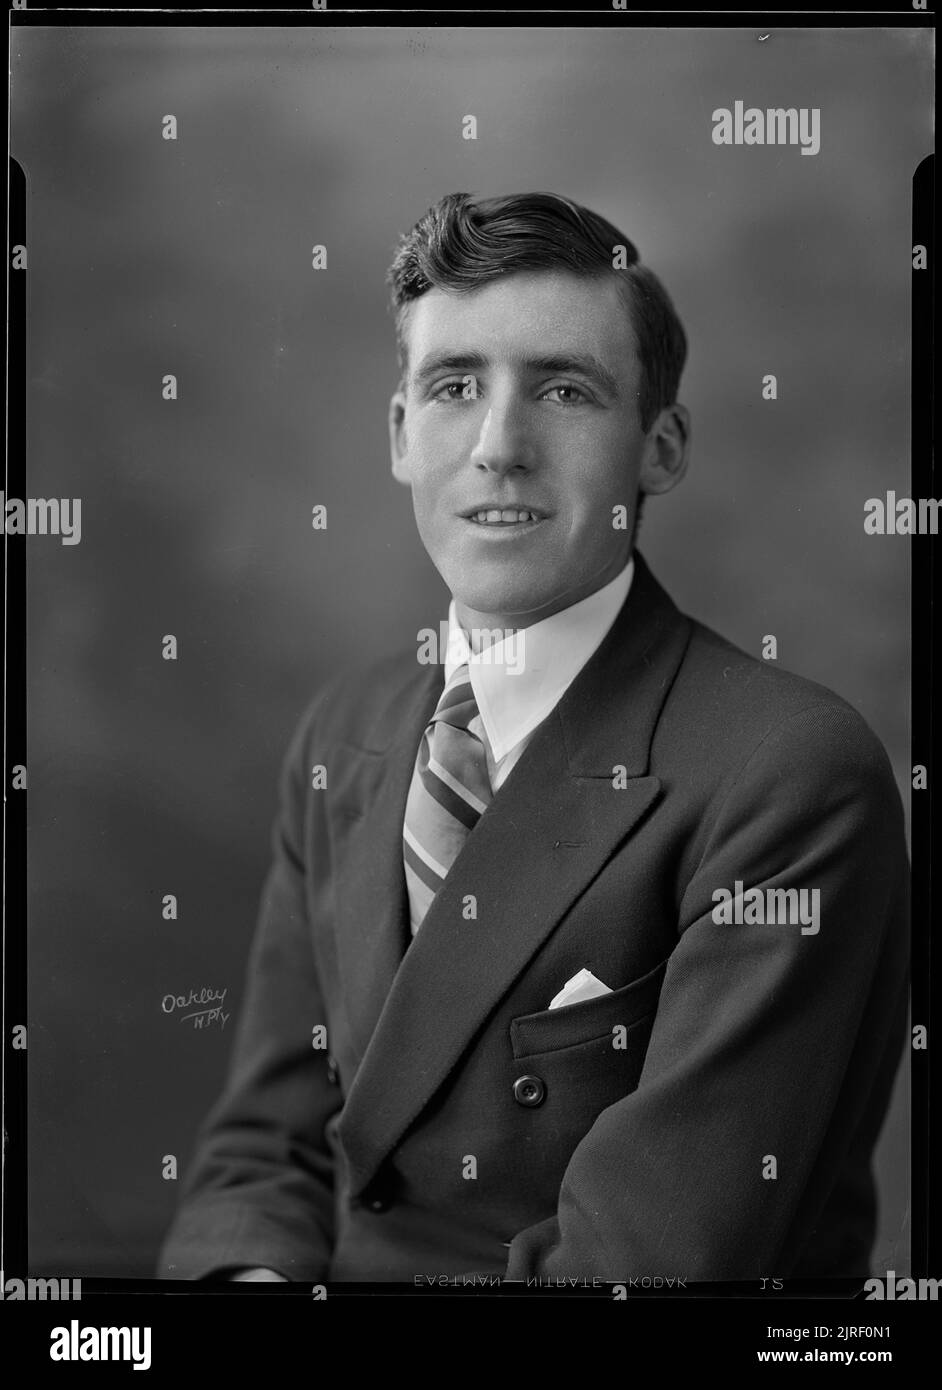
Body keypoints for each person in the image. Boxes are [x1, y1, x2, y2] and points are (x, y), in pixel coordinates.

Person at [157, 191, 909, 1284]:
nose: (500, 447)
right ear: (401, 435)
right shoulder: (345, 733)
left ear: (660, 448)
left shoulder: (791, 775)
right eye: (454, 387)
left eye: (563, 389)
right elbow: (265, 1145)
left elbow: (646, 1265)